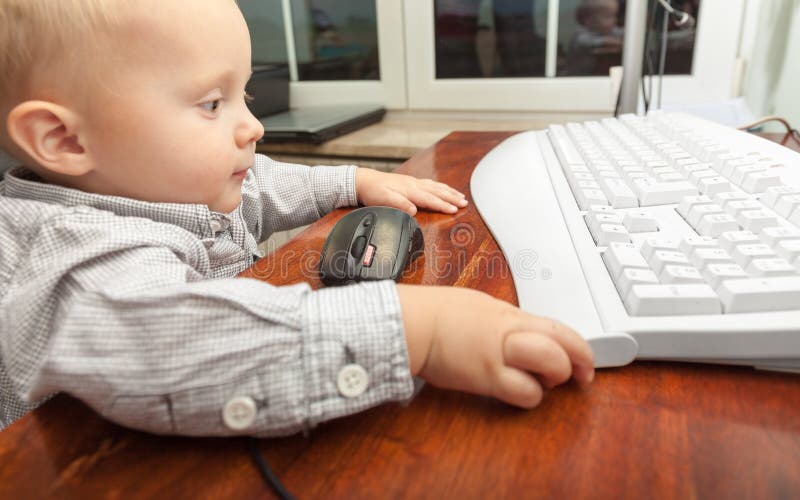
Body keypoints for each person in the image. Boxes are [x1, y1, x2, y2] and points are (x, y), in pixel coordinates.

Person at [0, 0, 594, 435]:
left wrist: (351, 181)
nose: (253, 127)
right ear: (64, 140)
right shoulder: (74, 254)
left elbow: (262, 183)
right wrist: (421, 331)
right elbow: (179, 346)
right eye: (213, 103)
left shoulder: (156, 183)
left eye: (246, 97)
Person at [566, 0, 624, 76]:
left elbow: (622, 32)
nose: (615, 20)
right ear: (589, 21)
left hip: (599, 74)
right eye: (608, 17)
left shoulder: (608, 30)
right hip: (580, 77)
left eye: (614, 16)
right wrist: (612, 42)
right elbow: (588, 42)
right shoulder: (580, 35)